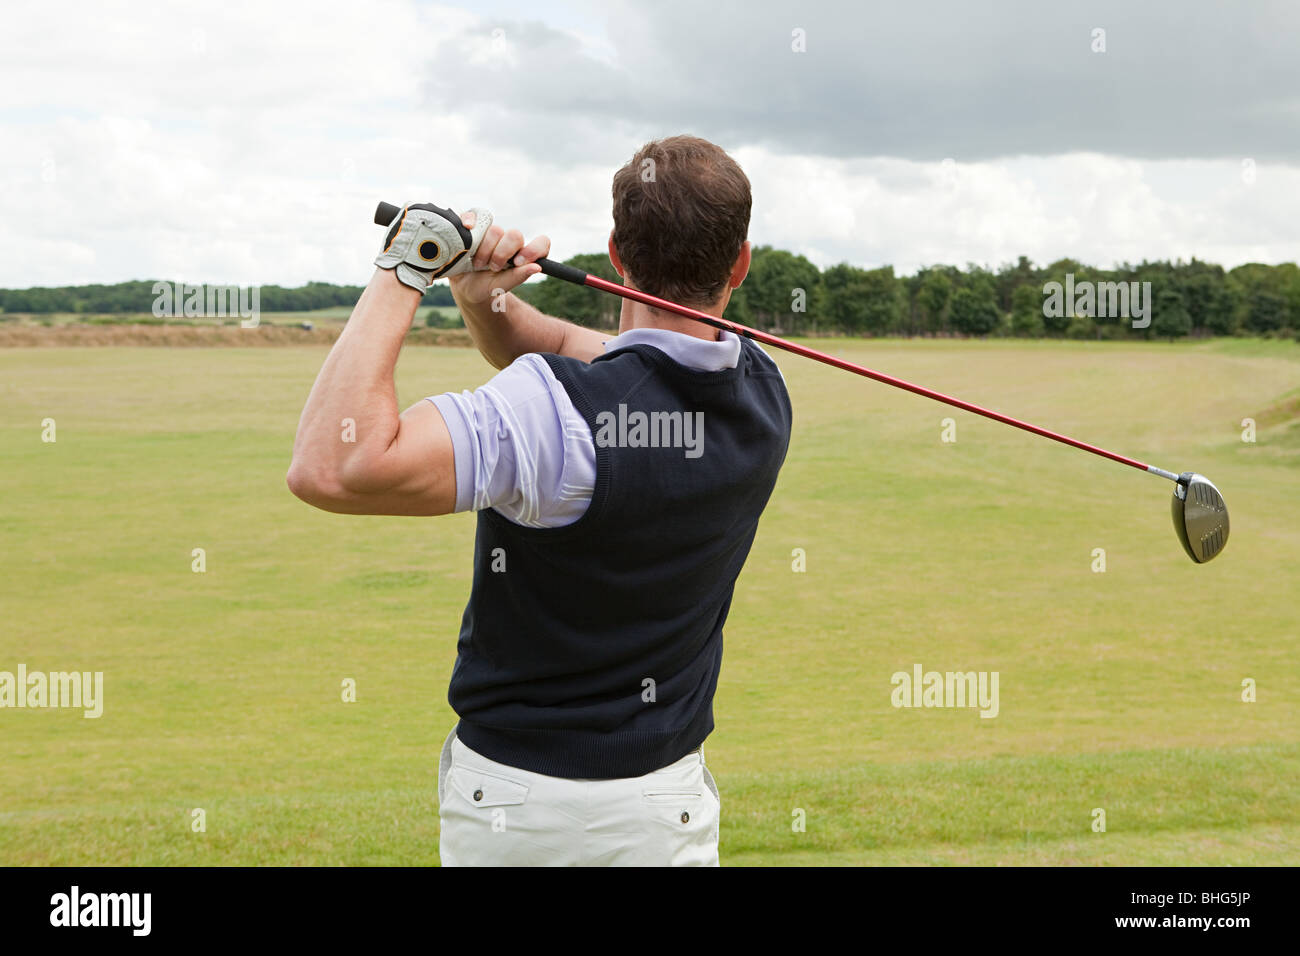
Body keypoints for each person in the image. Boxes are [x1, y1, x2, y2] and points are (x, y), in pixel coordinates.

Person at [288, 134, 791, 865]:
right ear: (740, 262)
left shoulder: (546, 410)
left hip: (516, 814)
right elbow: (571, 346)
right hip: (666, 811)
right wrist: (483, 296)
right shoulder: (762, 388)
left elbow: (331, 466)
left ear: (617, 253)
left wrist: (406, 265)